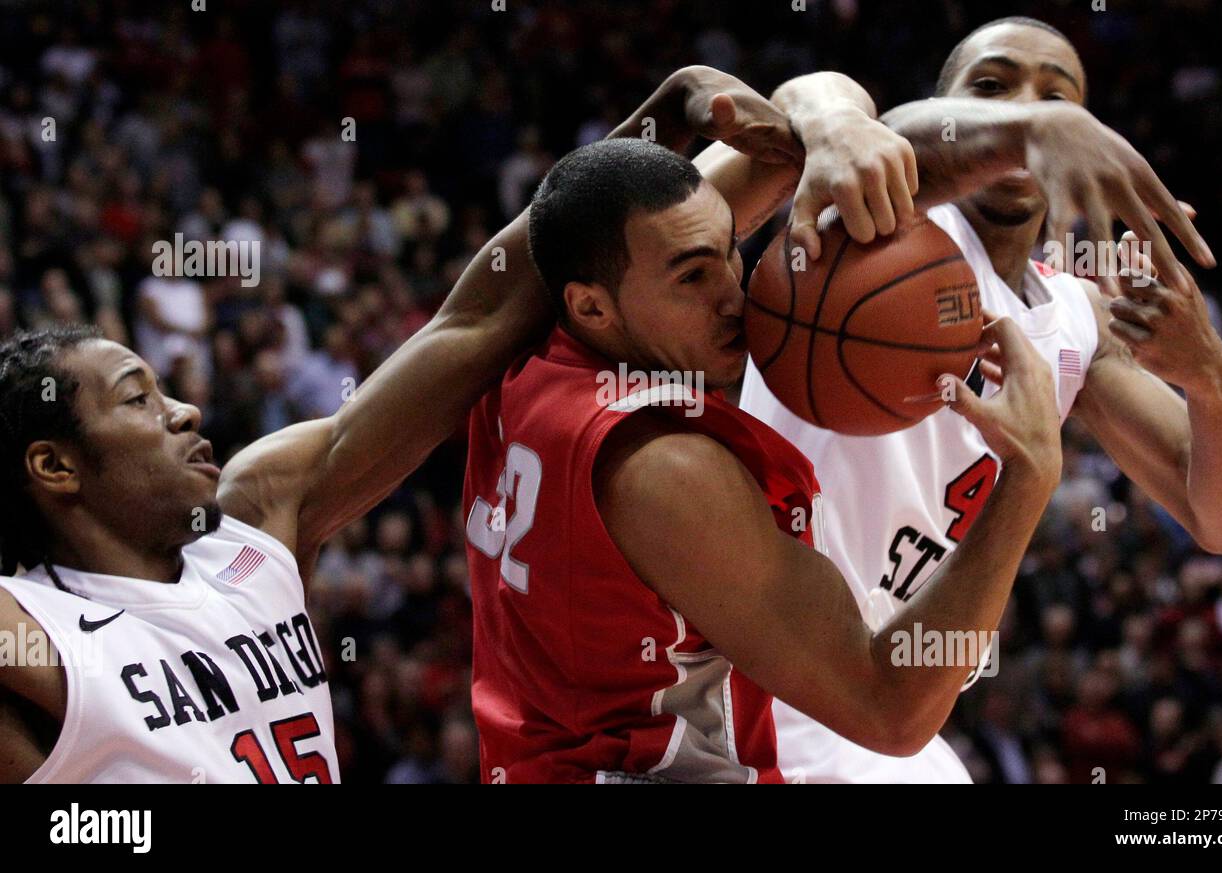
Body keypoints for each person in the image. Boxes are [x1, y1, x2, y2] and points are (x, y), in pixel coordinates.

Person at [0, 65, 799, 785]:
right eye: (138, 398)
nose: (186, 409)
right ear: (54, 465)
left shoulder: (252, 523)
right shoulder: (34, 627)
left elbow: (478, 321)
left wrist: (664, 114)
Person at [730, 16, 1222, 782]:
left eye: (1057, 96)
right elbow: (886, 137)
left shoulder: (1078, 315)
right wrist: (1036, 125)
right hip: (758, 680)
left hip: (886, 691)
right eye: (990, 87)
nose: (1023, 104)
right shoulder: (884, 222)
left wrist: (1208, 374)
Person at [464, 116, 1072, 781]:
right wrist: (1029, 472)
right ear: (592, 307)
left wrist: (816, 115)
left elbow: (763, 145)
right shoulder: (667, 469)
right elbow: (890, 710)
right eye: (693, 278)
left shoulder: (521, 352)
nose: (735, 294)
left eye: (732, 249)